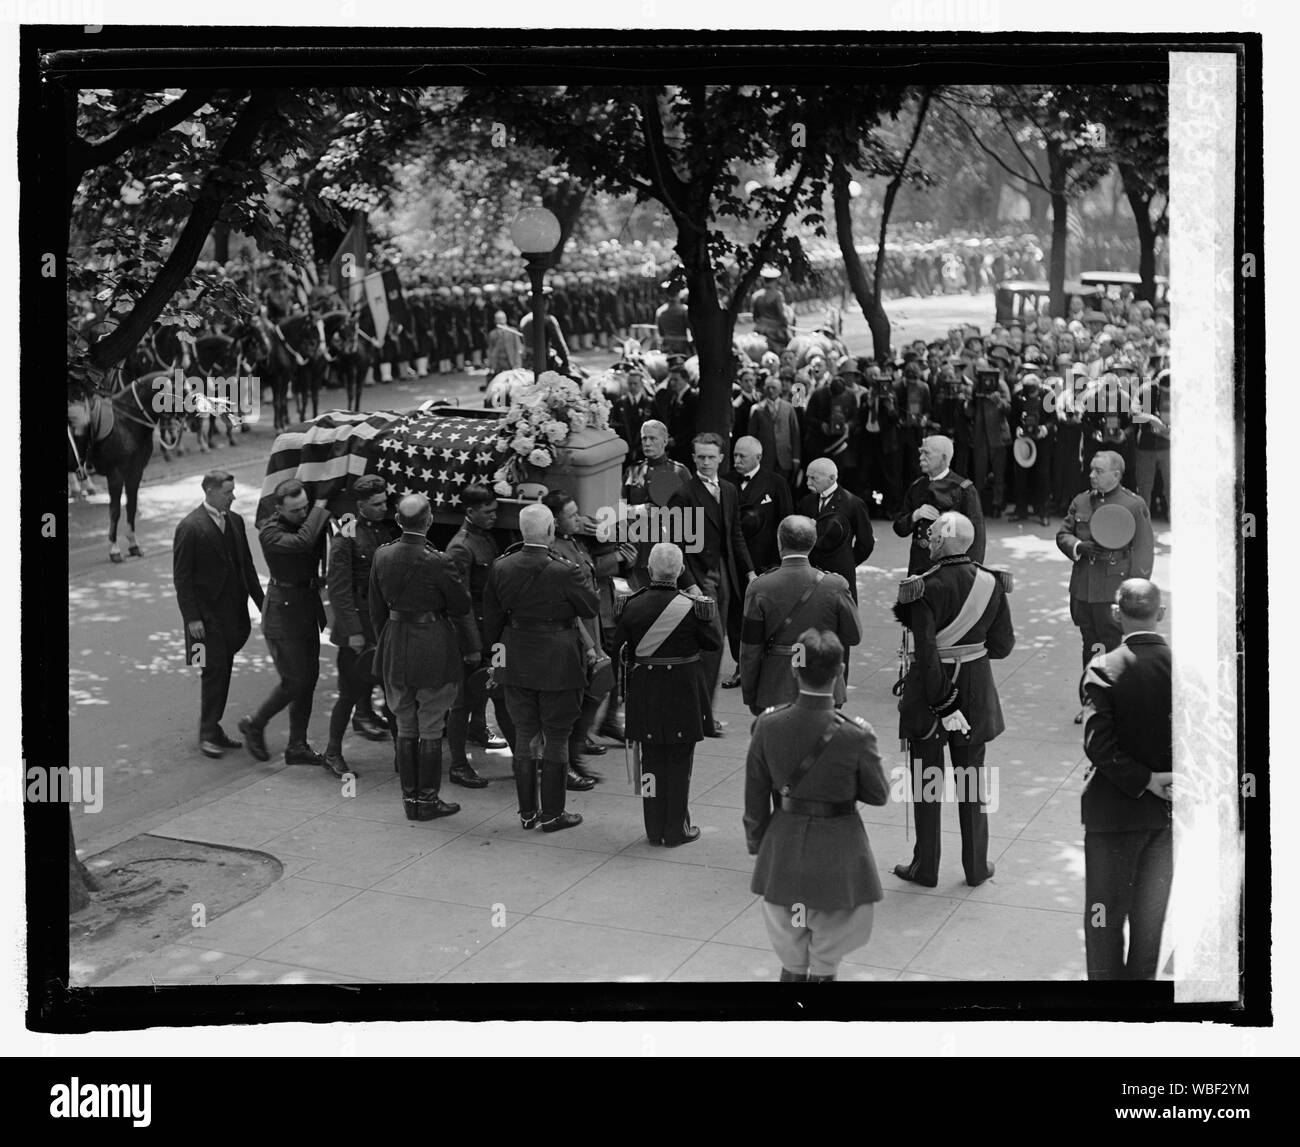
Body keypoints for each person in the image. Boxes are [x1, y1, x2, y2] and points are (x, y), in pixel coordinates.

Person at [743, 628, 889, 982]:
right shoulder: (856, 734)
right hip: (839, 858)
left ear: (795, 669)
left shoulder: (768, 724)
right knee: (827, 961)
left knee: (792, 956)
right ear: (840, 672)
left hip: (784, 853)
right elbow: (878, 795)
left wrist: (758, 844)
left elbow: (755, 795)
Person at [892, 511, 1014, 889]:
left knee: (928, 785)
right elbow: (1003, 644)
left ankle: (925, 867)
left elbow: (927, 653)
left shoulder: (923, 586)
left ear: (943, 541)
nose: (926, 540)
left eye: (930, 535)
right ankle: (976, 867)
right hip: (976, 688)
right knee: (973, 784)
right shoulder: (991, 582)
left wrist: (944, 703)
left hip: (931, 693)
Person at [482, 503, 599, 833]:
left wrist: (496, 661)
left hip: (516, 658)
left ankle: (527, 813)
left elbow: (491, 619)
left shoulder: (501, 567)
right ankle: (553, 814)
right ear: (550, 532)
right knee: (557, 737)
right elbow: (589, 606)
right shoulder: (565, 570)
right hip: (558, 662)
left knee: (525, 735)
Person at [1081, 578, 1173, 980]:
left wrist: (1144, 779)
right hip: (1166, 818)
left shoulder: (1102, 669)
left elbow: (1098, 746)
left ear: (1116, 613)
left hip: (1113, 817)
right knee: (1149, 928)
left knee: (1103, 922)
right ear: (1162, 614)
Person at [368, 494, 474, 819]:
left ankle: (410, 801)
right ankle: (427, 800)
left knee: (404, 722)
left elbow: (375, 608)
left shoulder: (381, 555)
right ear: (429, 520)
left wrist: (385, 641)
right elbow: (460, 606)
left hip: (395, 641)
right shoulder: (438, 561)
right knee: (431, 723)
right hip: (432, 645)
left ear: (398, 521)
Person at [612, 542, 719, 847]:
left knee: (651, 761)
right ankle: (676, 829)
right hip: (682, 691)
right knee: (680, 761)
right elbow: (712, 642)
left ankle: (654, 826)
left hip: (645, 690)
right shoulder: (691, 605)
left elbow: (618, 650)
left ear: (648, 569)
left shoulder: (631, 604)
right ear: (682, 571)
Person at [666, 432, 756, 732]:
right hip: (700, 577)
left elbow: (736, 536)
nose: (705, 462)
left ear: (721, 457)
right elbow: (676, 543)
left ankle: (701, 714)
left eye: (710, 456)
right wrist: (689, 583)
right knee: (712, 643)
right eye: (700, 457)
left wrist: (750, 573)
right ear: (693, 459)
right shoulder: (684, 495)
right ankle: (701, 717)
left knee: (716, 645)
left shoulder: (729, 490)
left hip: (725, 573)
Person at [1056, 450, 1155, 722]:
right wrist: (1078, 546)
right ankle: (1091, 703)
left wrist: (1132, 594)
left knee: (1111, 648)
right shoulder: (1081, 501)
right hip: (1083, 591)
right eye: (1091, 469)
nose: (1091, 475)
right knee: (1091, 646)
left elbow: (1144, 552)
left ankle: (1113, 706)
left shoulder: (1133, 505)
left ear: (1116, 474)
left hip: (1113, 590)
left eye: (1098, 471)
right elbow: (1063, 533)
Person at [173, 471, 265, 759]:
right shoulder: (190, 527)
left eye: (233, 491)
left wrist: (264, 606)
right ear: (210, 491)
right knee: (213, 673)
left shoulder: (235, 521)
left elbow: (247, 568)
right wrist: (193, 619)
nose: (233, 496)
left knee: (221, 671)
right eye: (228, 492)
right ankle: (208, 733)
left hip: (232, 616)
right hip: (204, 621)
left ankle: (213, 729)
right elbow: (182, 578)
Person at [239, 480, 332, 766]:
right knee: (295, 680)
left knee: (309, 679)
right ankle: (255, 723)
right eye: (295, 510)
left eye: (305, 507)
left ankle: (297, 745)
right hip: (283, 613)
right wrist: (320, 507)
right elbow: (302, 542)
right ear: (279, 508)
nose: (302, 513)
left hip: (306, 606)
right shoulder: (270, 531)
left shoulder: (306, 521)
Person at [739, 516, 860, 715]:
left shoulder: (759, 587)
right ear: (813, 543)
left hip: (775, 687)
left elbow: (749, 651)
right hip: (825, 686)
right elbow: (854, 636)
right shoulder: (836, 585)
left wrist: (751, 693)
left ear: (779, 542)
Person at [322, 475, 399, 778]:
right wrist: (353, 631)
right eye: (377, 504)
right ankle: (332, 752)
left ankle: (402, 756)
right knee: (350, 694)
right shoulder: (347, 536)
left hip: (383, 626)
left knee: (393, 693)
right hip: (358, 631)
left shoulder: (386, 530)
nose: (383, 508)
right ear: (360, 505)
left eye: (385, 502)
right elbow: (338, 589)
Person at [544, 489, 621, 789]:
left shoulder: (574, 541)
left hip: (593, 627)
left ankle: (574, 756)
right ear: (554, 521)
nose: (578, 519)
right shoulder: (557, 550)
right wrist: (590, 645)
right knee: (579, 700)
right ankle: (568, 762)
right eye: (572, 515)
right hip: (580, 634)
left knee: (594, 691)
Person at [443, 484, 512, 788]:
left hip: (493, 634)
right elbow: (460, 604)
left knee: (497, 690)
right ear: (470, 512)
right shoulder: (461, 547)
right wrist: (470, 645)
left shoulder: (486, 537)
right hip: (471, 637)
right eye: (488, 512)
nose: (494, 516)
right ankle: (458, 765)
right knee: (461, 702)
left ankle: (486, 733)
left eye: (496, 511)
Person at [720, 436, 793, 688]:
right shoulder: (726, 481)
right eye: (735, 455)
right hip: (732, 561)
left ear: (758, 458)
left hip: (765, 562)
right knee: (735, 617)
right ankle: (742, 666)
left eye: (743, 456)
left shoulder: (776, 483)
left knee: (766, 617)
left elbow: (786, 523)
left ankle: (768, 667)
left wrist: (782, 562)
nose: (737, 460)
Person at [891, 435, 984, 576]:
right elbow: (899, 528)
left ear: (944, 458)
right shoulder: (917, 487)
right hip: (918, 568)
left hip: (950, 571)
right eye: (920, 452)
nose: (921, 458)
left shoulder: (963, 489)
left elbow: (977, 539)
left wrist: (970, 574)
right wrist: (916, 515)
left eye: (926, 453)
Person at [621, 420, 691, 590]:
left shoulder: (680, 472)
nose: (647, 443)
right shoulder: (633, 470)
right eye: (644, 438)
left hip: (667, 551)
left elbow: (691, 515)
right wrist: (638, 510)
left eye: (652, 438)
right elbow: (619, 509)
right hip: (636, 549)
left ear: (665, 441)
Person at [797, 457, 874, 604]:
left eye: (814, 478)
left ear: (831, 478)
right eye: (807, 477)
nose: (808, 482)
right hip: (811, 573)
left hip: (840, 574)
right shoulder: (806, 502)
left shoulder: (853, 503)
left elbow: (866, 543)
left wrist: (848, 561)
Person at [1009, 371, 1053, 525]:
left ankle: (1043, 511)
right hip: (1023, 441)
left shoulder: (1048, 395)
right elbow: (1012, 418)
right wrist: (1017, 429)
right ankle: (1021, 510)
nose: (1031, 395)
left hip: (1042, 441)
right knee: (1020, 476)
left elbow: (1053, 419)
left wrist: (1045, 429)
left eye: (1033, 392)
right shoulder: (1017, 395)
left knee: (1043, 476)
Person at [746, 375, 801, 490]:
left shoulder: (789, 408)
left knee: (782, 490)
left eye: (774, 388)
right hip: (765, 458)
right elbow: (751, 437)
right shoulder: (757, 409)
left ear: (780, 390)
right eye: (768, 388)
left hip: (784, 458)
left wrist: (796, 457)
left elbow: (795, 435)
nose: (771, 391)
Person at [654, 361, 698, 466]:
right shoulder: (673, 397)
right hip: (674, 448)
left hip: (686, 448)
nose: (672, 383)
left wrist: (676, 440)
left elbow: (693, 425)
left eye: (676, 380)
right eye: (671, 380)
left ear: (685, 379)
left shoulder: (693, 398)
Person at [751, 266, 791, 351]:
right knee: (790, 346)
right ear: (775, 280)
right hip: (775, 331)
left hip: (759, 328)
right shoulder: (777, 295)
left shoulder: (756, 295)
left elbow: (755, 317)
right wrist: (786, 324)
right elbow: (782, 315)